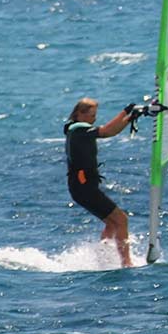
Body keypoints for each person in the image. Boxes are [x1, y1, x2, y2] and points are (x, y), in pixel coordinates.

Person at [64, 98, 138, 267]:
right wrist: (130, 117)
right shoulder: (79, 130)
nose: (94, 118)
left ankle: (104, 259)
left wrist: (127, 113)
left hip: (80, 188)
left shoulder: (74, 129)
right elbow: (107, 131)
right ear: (79, 114)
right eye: (92, 115)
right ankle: (126, 263)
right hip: (84, 188)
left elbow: (108, 129)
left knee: (112, 224)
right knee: (121, 220)